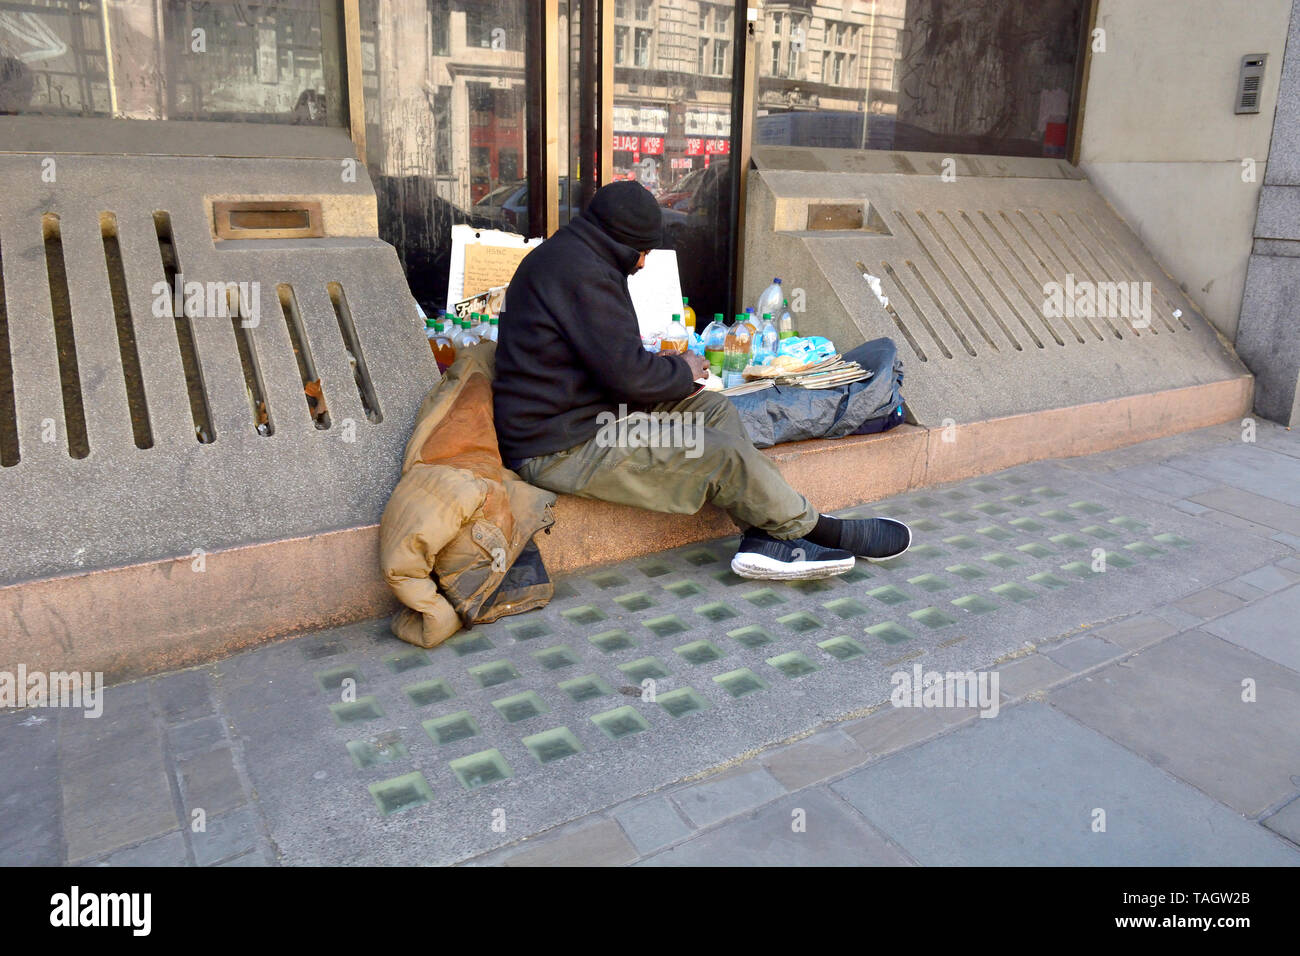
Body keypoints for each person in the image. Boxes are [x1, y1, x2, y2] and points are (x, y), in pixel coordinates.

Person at [492, 180, 910, 579]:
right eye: (643, 252)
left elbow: (606, 359)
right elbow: (629, 379)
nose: (643, 263)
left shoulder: (577, 255)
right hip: (559, 446)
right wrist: (685, 369)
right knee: (719, 453)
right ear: (622, 242)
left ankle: (764, 536)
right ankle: (814, 529)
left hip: (586, 412)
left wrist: (670, 368)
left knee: (711, 407)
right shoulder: (580, 273)